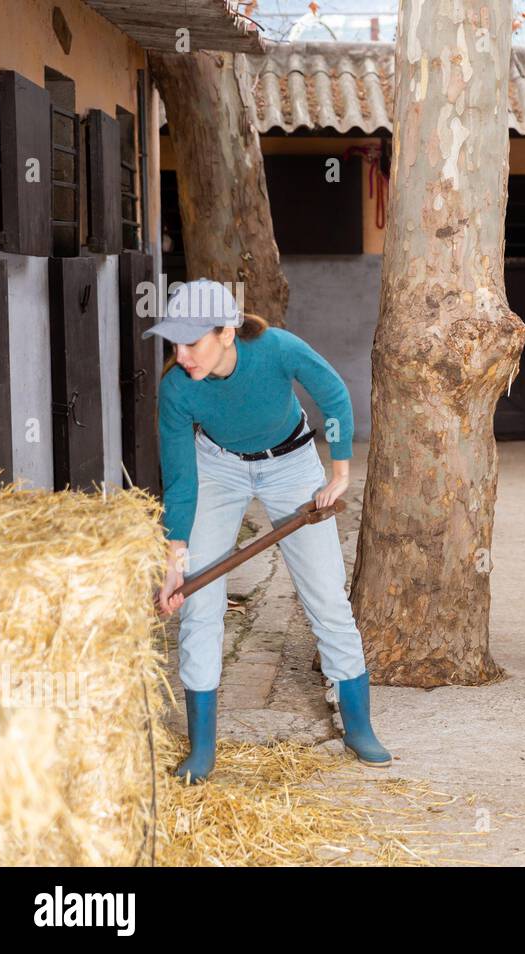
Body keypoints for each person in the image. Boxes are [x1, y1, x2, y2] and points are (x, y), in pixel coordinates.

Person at [148, 278, 391, 783]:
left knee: (326, 596)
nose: (181, 354)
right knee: (199, 604)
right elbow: (180, 479)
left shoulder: (277, 348)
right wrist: (177, 558)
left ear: (227, 332)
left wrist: (341, 471)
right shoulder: (175, 389)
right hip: (218, 467)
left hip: (292, 465)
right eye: (174, 342)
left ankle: (359, 726)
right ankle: (202, 748)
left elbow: (333, 395)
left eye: (191, 342)